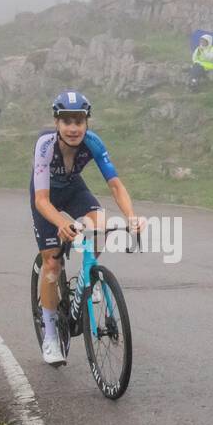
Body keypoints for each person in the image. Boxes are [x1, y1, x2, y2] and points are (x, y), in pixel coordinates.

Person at [31, 90, 141, 366]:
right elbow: (41, 201)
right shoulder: (45, 146)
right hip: (46, 197)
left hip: (73, 189)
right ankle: (51, 334)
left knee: (100, 226)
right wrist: (61, 222)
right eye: (67, 122)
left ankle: (87, 277)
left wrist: (131, 217)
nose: (73, 128)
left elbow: (115, 185)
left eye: (79, 121)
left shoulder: (93, 142)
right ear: (57, 123)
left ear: (86, 123)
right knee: (52, 264)